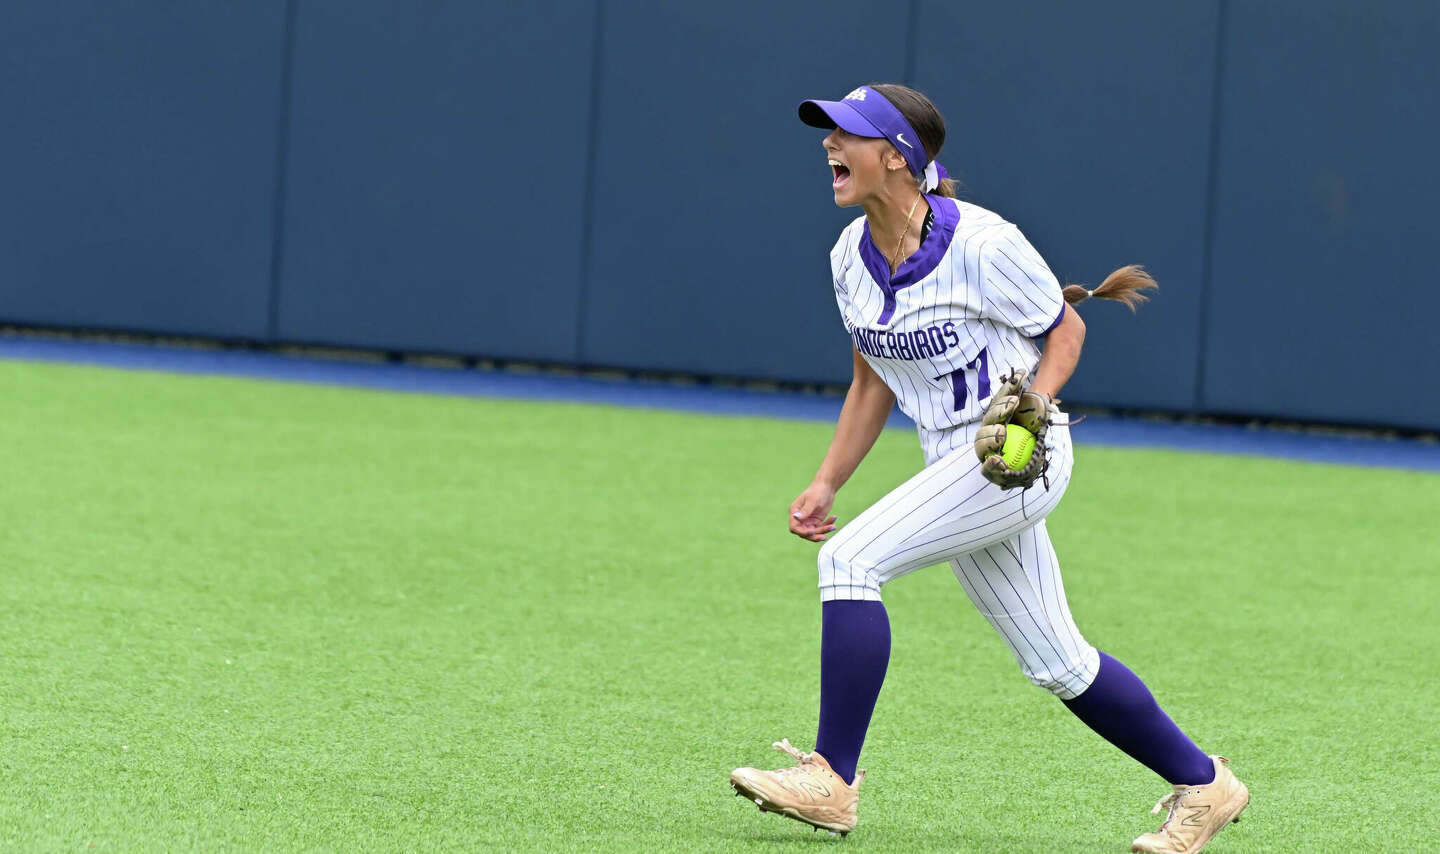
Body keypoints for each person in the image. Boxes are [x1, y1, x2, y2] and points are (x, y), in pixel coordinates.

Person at [728, 84, 1249, 854]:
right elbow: (871, 379)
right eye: (827, 131)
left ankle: (832, 780)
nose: (829, 144)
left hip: (1018, 456)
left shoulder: (985, 243)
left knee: (850, 561)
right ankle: (1206, 785)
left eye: (848, 133)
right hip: (954, 465)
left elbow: (1064, 329)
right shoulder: (849, 256)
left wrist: (1034, 407)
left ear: (899, 157)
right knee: (1057, 661)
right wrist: (828, 479)